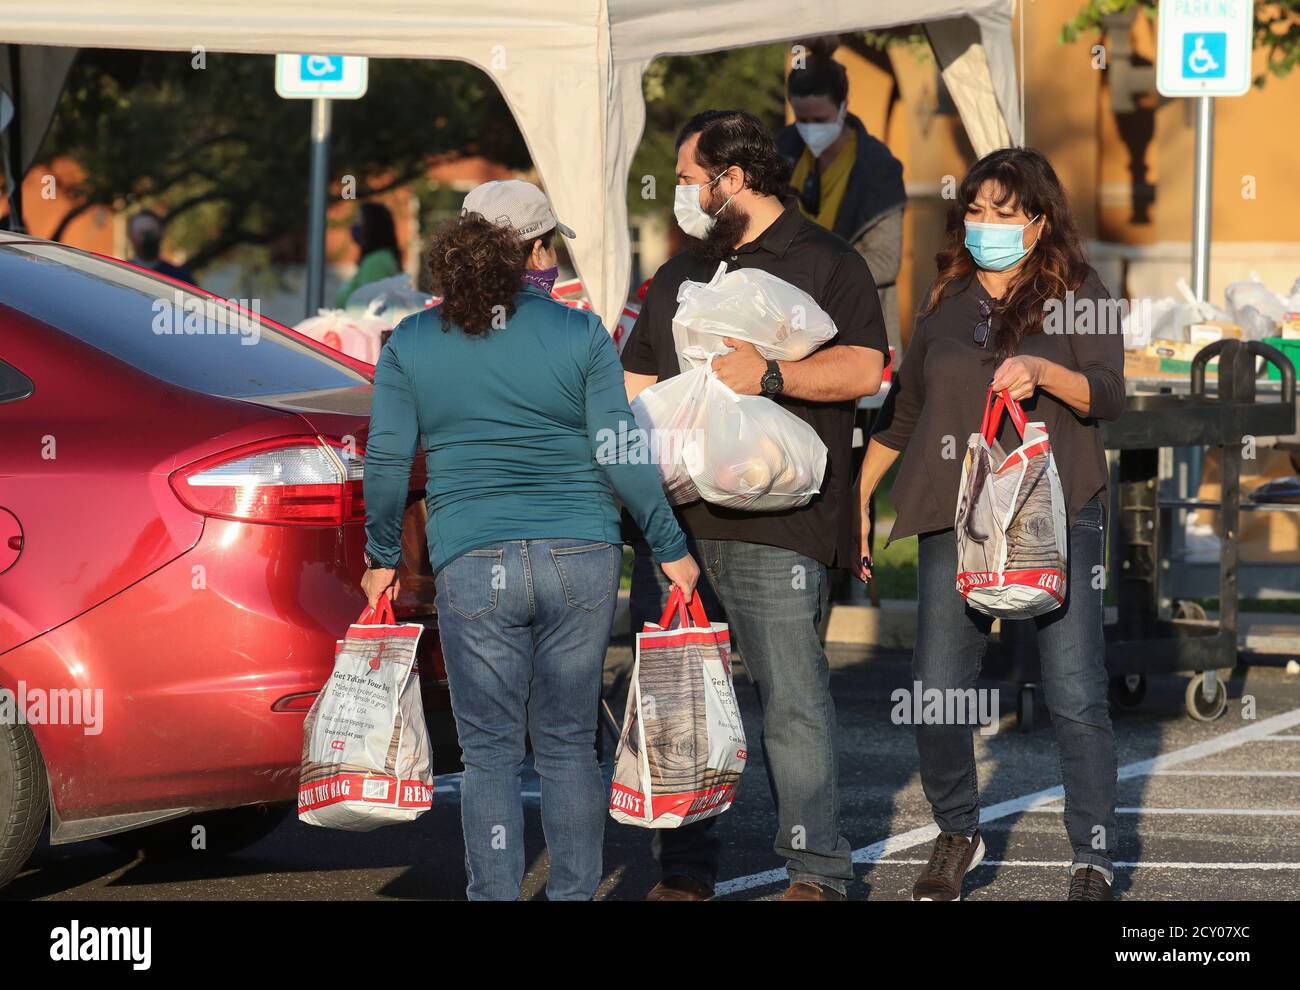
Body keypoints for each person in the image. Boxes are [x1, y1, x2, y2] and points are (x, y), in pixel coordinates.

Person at [361, 179, 699, 901]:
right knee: (569, 744)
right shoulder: (581, 334)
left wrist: (382, 557)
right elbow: (619, 448)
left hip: (471, 560)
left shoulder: (413, 339)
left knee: (487, 754)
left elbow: (387, 460)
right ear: (538, 250)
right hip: (581, 553)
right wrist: (671, 547)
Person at [621, 109, 889, 901]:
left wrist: (769, 375)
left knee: (793, 702)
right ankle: (683, 872)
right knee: (679, 698)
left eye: (686, 180)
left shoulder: (828, 261)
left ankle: (814, 872)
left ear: (731, 181)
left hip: (783, 526)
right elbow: (637, 382)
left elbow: (866, 369)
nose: (679, 194)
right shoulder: (679, 273)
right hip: (675, 529)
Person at [858, 146, 1124, 902]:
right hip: (959, 511)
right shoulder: (946, 296)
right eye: (975, 211)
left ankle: (1093, 857)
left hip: (1058, 507)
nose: (985, 225)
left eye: (1002, 214)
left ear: (1039, 223)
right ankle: (957, 832)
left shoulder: (1080, 292)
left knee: (1074, 690)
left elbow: (1108, 393)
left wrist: (1043, 372)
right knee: (937, 686)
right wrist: (861, 495)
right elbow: (906, 406)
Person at [777, 52, 906, 351]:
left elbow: (886, 262)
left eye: (820, 120)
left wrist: (808, 276)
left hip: (857, 327)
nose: (810, 129)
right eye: (802, 120)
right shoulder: (782, 153)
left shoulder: (878, 169)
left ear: (844, 107)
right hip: (790, 331)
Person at [335, 201, 402, 308]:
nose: (354, 225)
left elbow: (368, 308)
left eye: (359, 221)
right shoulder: (380, 258)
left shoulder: (376, 262)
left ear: (372, 226)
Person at [127, 209, 197, 285]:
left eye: (151, 233)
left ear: (161, 235)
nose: (147, 240)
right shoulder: (122, 273)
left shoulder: (180, 278)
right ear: (131, 237)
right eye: (141, 233)